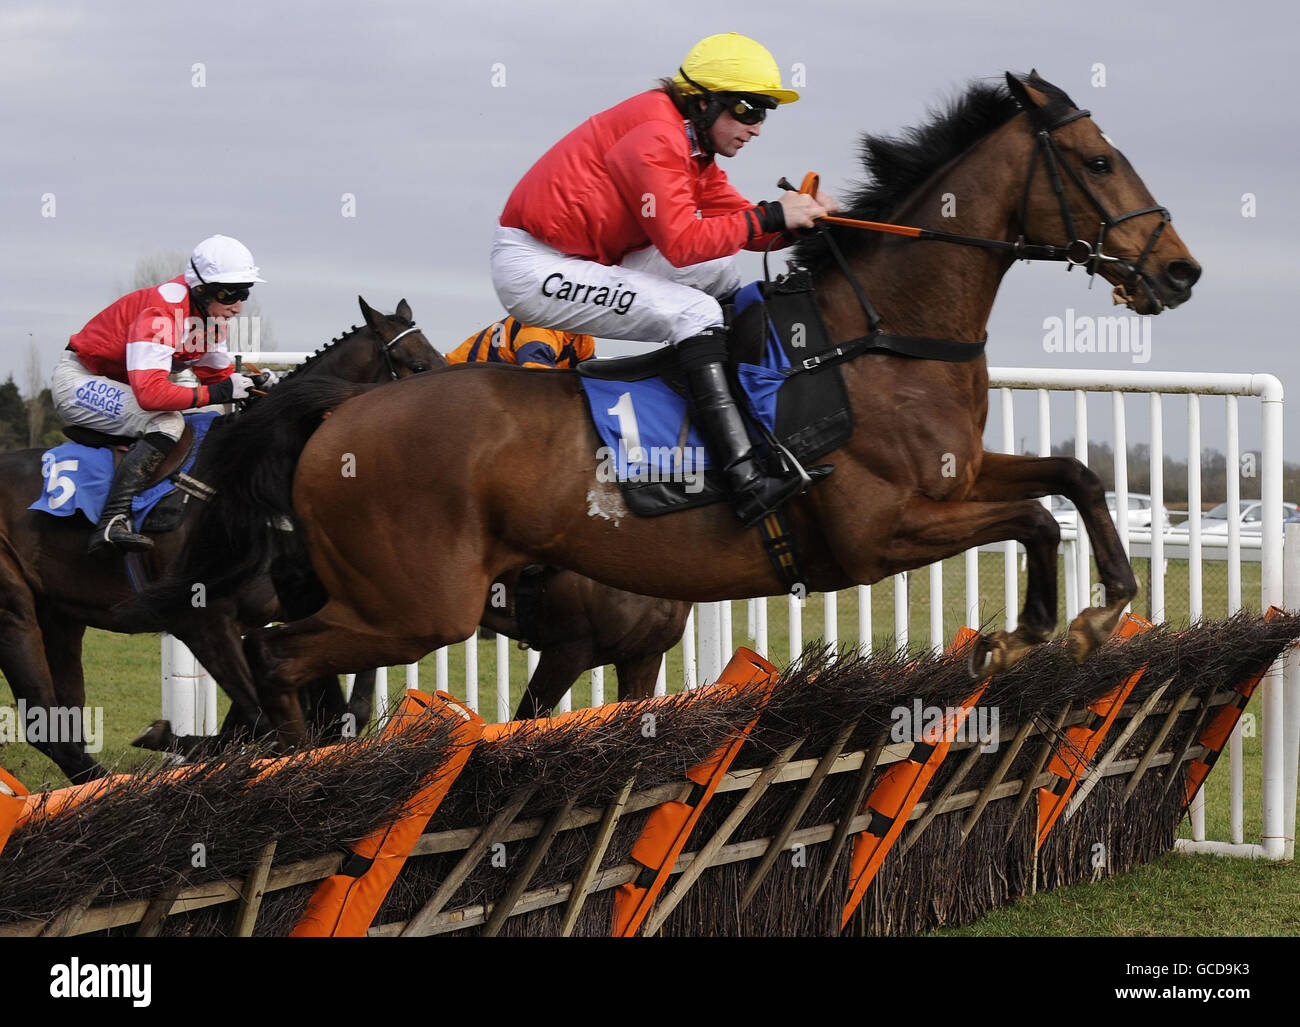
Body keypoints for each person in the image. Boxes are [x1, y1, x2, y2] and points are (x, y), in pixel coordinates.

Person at [491, 31, 838, 527]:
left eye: (764, 112)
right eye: (748, 109)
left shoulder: (693, 146)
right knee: (694, 310)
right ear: (704, 101)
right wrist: (774, 217)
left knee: (720, 270)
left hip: (588, 260)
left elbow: (742, 229)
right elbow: (681, 241)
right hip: (535, 267)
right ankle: (743, 478)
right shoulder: (657, 136)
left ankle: (732, 418)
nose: (757, 127)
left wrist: (800, 224)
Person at [52, 235, 262, 554]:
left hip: (120, 385)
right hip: (79, 381)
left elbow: (218, 375)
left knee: (196, 421)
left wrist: (262, 387)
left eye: (243, 292)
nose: (237, 305)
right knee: (168, 423)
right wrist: (220, 391)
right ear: (200, 290)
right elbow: (152, 395)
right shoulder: (161, 313)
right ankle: (113, 520)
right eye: (228, 293)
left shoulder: (210, 318)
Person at [447, 316, 595, 369]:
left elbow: (591, 377)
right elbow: (539, 383)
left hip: (488, 380)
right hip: (460, 377)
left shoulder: (582, 338)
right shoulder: (538, 332)